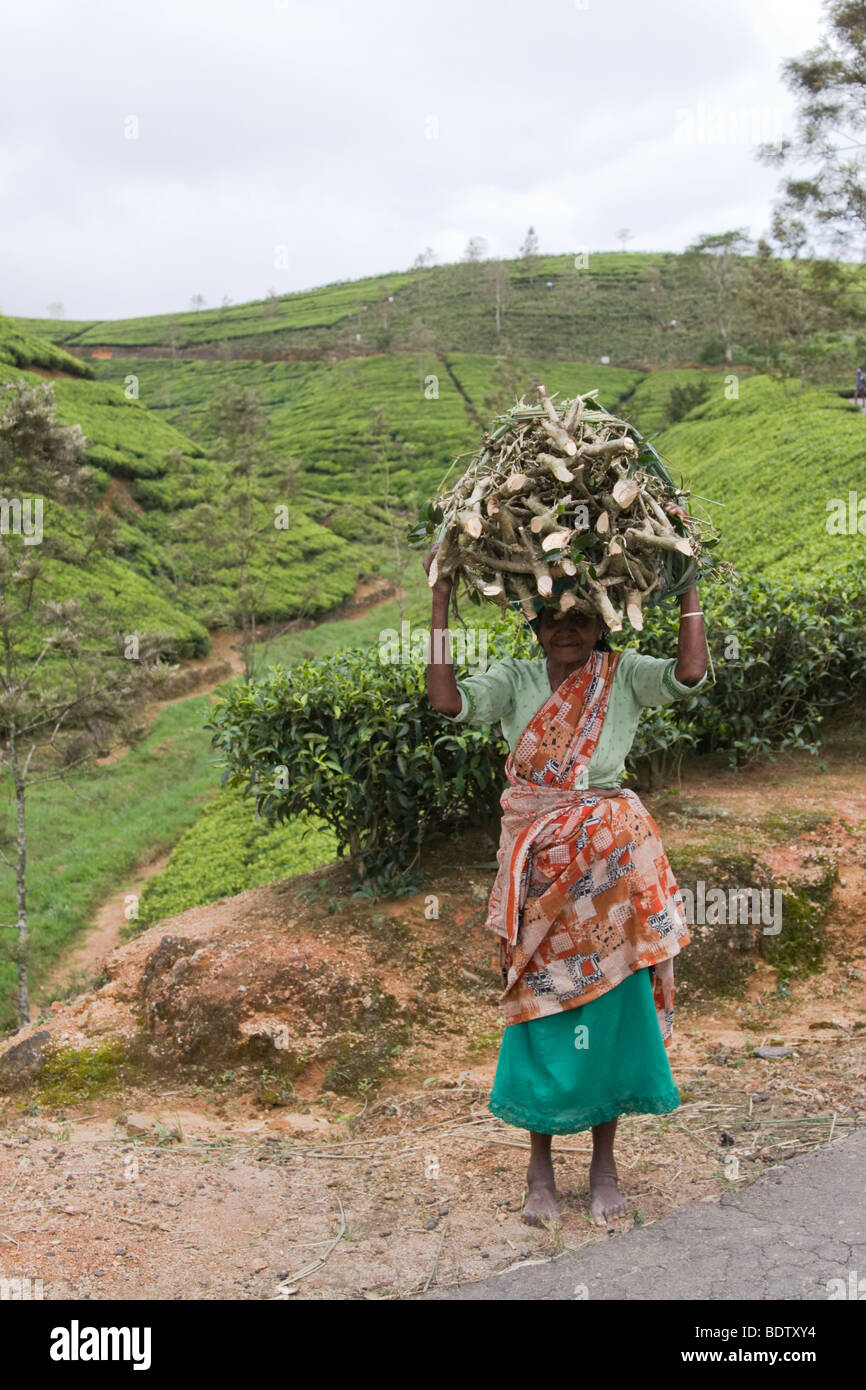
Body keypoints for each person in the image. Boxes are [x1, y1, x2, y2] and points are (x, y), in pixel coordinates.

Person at [424, 526, 709, 1230]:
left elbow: (691, 674)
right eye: (553, 617)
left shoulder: (626, 675)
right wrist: (437, 605)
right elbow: (446, 703)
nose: (565, 630)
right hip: (541, 880)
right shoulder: (514, 682)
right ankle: (539, 1169)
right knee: (541, 1009)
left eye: (581, 616)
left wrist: (688, 583)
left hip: (610, 881)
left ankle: (605, 1165)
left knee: (611, 1010)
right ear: (537, 623)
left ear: (601, 624)